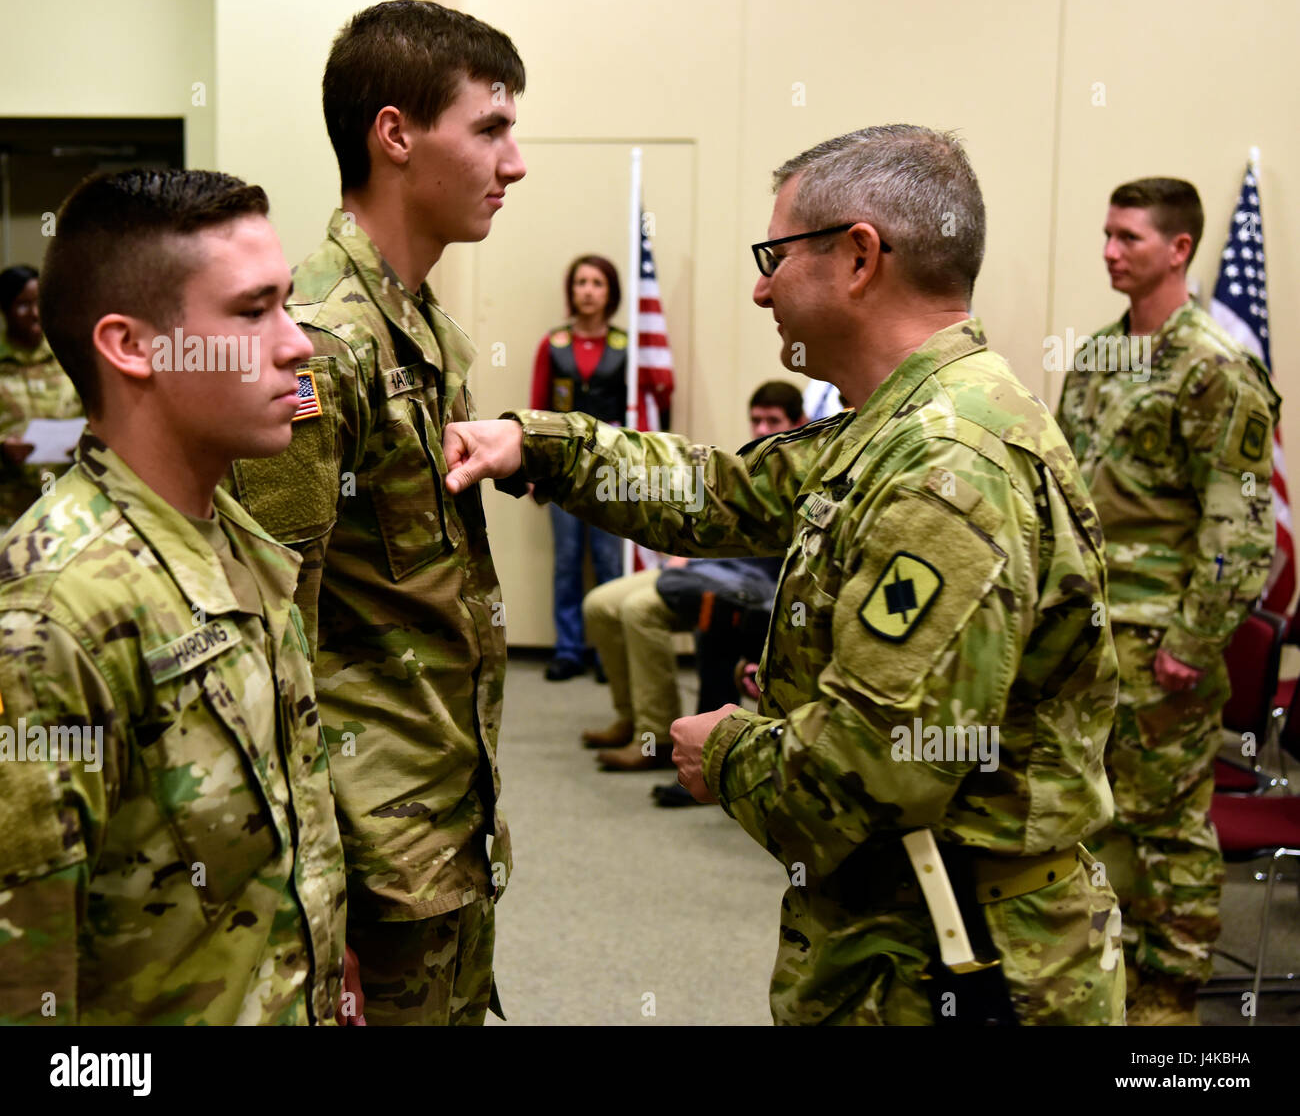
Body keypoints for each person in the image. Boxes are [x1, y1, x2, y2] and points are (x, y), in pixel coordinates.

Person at [443, 125, 1126, 1026]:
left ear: (857, 256)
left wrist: (721, 750)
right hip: (915, 931)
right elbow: (718, 492)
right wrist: (539, 444)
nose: (760, 284)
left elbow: (874, 767)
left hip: (957, 961)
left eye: (775, 254)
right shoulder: (905, 423)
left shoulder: (948, 468)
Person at [230, 0, 525, 1026]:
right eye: (489, 129)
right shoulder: (321, 341)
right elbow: (269, 648)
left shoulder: (423, 325)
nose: (515, 161)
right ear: (394, 134)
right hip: (368, 859)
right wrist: (314, 905)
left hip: (437, 832)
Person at [0, 168, 348, 1024]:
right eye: (250, 311)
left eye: (288, 304)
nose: (298, 344)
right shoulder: (53, 623)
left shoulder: (235, 537)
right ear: (132, 346)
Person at [1056, 177, 1281, 1025]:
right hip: (1089, 642)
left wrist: (1193, 640)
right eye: (1107, 234)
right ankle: (1107, 974)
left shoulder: (1217, 367)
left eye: (1130, 238)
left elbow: (1240, 523)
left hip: (1162, 652)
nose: (1110, 251)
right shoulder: (1100, 357)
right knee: (1097, 817)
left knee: (1169, 831)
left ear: (1179, 249)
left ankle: (1170, 998)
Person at [582, 381, 804, 773]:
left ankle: (656, 736)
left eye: (773, 420)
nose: (761, 428)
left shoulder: (801, 470)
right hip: (700, 569)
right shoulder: (750, 460)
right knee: (599, 604)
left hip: (749, 586)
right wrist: (684, 552)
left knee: (639, 610)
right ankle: (630, 717)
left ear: (798, 422)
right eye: (756, 419)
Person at [530, 255, 627, 681]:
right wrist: (533, 468)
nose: (588, 290)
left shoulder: (629, 347)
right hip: (562, 469)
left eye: (597, 283)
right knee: (568, 560)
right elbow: (536, 408)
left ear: (611, 293)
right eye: (581, 282)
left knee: (608, 560)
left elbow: (646, 403)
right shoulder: (553, 345)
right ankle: (569, 649)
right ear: (571, 291)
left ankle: (610, 652)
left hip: (611, 471)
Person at [0, 264, 83, 532]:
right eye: (23, 306)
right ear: (5, 310)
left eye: (39, 304)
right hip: (9, 509)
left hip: (68, 504)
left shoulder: (69, 357)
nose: (35, 314)